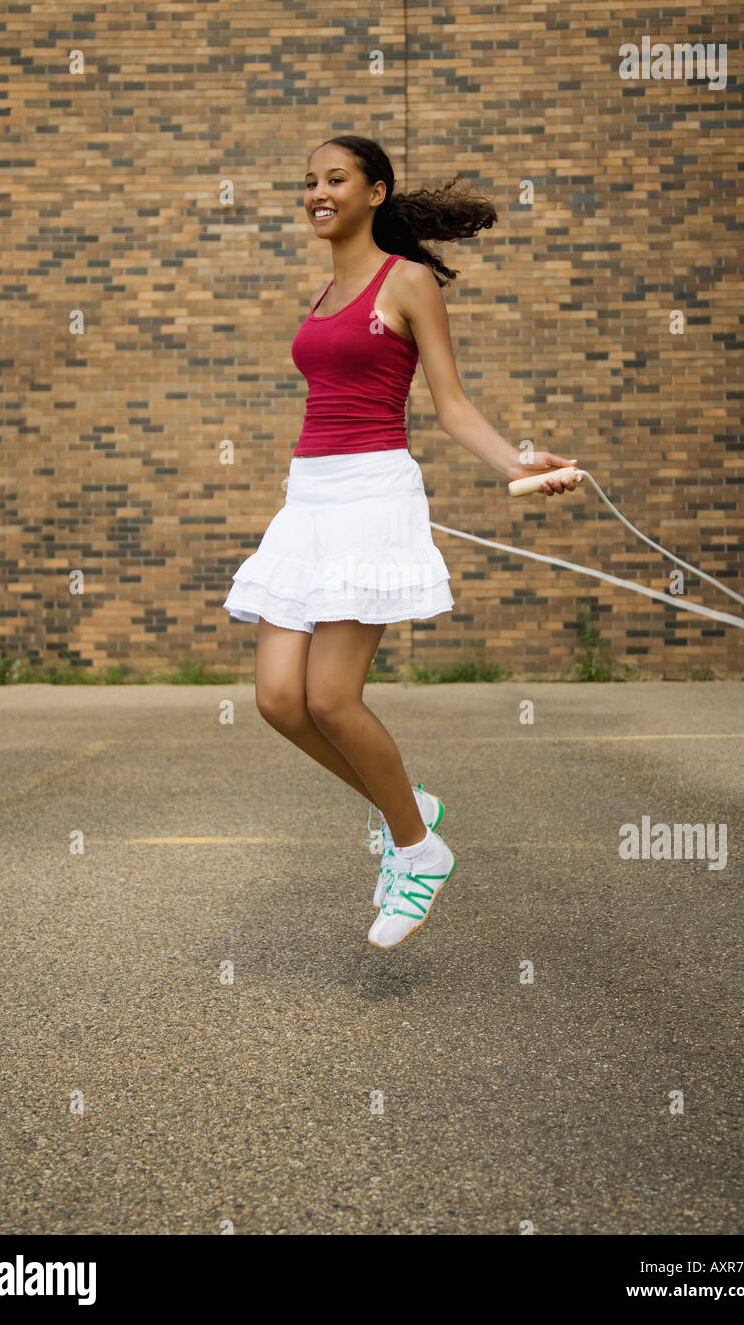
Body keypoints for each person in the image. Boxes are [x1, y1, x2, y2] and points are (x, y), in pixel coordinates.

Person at [223, 135, 580, 950]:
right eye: (309, 181)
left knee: (331, 700)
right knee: (280, 699)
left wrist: (518, 462)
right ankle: (407, 806)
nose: (318, 192)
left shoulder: (408, 281)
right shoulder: (321, 292)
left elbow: (450, 405)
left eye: (335, 179)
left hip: (372, 496)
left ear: (375, 192)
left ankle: (418, 849)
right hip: (307, 496)